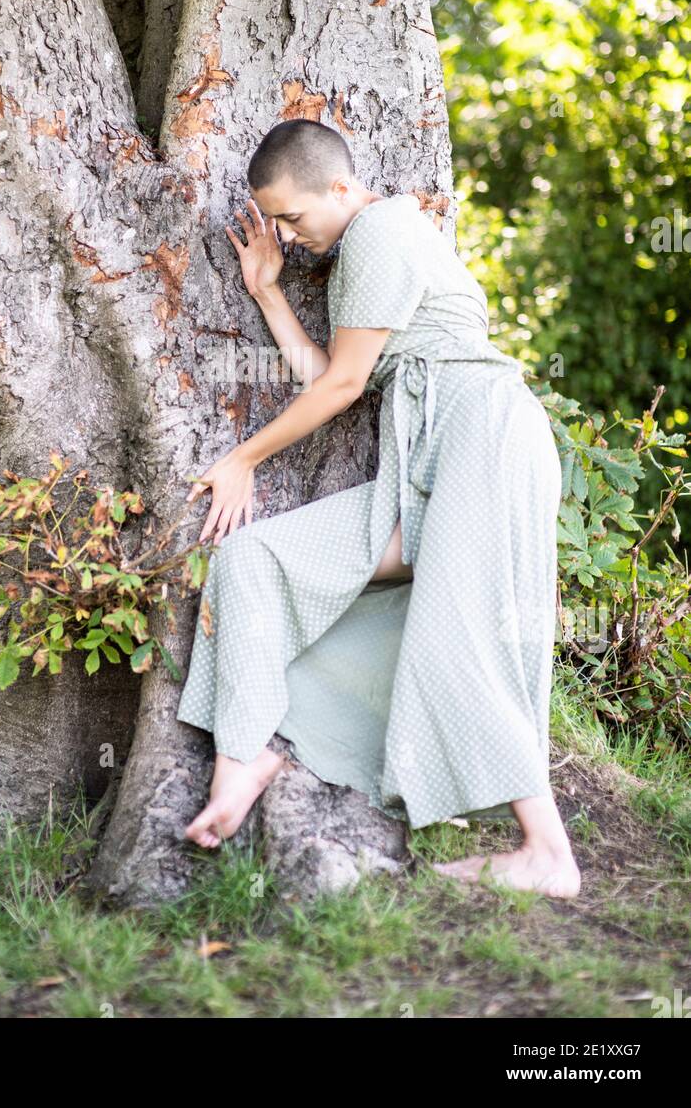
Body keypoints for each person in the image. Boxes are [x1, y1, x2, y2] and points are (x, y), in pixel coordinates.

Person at [176, 119, 581, 898]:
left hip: (482, 438)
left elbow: (342, 388)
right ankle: (241, 767)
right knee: (254, 558)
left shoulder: (379, 231)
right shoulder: (370, 242)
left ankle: (548, 851)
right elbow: (332, 371)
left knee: (458, 624)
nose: (289, 239)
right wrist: (265, 292)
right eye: (278, 227)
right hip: (427, 458)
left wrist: (240, 460)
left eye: (293, 218)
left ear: (340, 187)